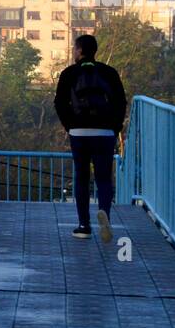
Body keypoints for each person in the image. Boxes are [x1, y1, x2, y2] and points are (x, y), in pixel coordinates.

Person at [54, 35, 127, 242]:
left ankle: (84, 226)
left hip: (79, 133)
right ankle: (105, 214)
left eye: (74, 48)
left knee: (82, 177)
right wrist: (114, 127)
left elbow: (60, 102)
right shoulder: (109, 72)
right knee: (103, 178)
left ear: (79, 51)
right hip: (104, 133)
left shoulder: (69, 73)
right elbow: (121, 102)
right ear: (95, 51)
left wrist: (70, 126)